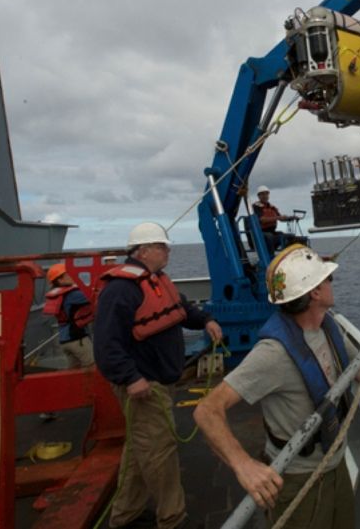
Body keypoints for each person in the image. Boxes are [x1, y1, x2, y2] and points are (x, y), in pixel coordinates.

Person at [194, 244, 360, 528]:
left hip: (335, 467)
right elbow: (206, 410)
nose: (333, 282)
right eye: (327, 279)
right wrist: (244, 465)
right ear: (315, 293)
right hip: (299, 481)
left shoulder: (327, 328)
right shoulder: (273, 353)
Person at [93, 222, 223, 529]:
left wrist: (206, 320)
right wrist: (131, 378)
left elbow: (181, 310)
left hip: (159, 381)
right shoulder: (119, 291)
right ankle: (172, 519)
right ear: (143, 251)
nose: (168, 251)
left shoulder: (157, 281)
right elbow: (106, 345)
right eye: (162, 246)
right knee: (160, 453)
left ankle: (125, 516)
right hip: (144, 385)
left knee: (141, 451)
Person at [43, 263, 95, 368]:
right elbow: (95, 297)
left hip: (64, 341)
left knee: (74, 373)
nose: (72, 275)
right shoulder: (73, 294)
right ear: (60, 280)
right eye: (68, 274)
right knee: (93, 367)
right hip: (78, 340)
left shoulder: (58, 294)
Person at [252, 186, 295, 250]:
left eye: (266, 193)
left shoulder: (272, 207)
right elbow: (262, 220)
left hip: (272, 232)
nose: (265, 196)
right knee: (269, 236)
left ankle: (288, 255)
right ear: (258, 196)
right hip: (261, 232)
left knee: (290, 236)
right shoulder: (256, 207)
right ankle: (270, 255)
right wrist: (278, 217)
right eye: (262, 194)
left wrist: (290, 218)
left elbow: (280, 218)